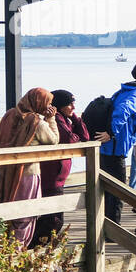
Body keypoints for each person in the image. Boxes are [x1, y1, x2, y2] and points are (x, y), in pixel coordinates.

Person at [0, 87, 59, 246]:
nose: (48, 107)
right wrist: (51, 119)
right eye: (47, 103)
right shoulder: (37, 122)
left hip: (3, 171)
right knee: (25, 215)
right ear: (39, 103)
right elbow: (54, 140)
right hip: (27, 173)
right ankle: (17, 249)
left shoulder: (9, 115)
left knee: (1, 211)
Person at [96, 62, 136, 225]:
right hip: (115, 149)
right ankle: (113, 231)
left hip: (107, 148)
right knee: (118, 191)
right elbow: (124, 110)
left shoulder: (123, 91)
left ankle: (105, 226)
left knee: (106, 190)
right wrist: (112, 132)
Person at [32, 89, 91, 246]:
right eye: (69, 104)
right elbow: (71, 140)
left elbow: (85, 137)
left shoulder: (65, 119)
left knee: (52, 219)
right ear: (59, 106)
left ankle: (37, 252)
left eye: (73, 103)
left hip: (57, 178)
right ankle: (34, 250)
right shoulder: (57, 120)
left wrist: (76, 119)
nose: (73, 107)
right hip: (51, 178)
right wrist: (75, 133)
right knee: (54, 220)